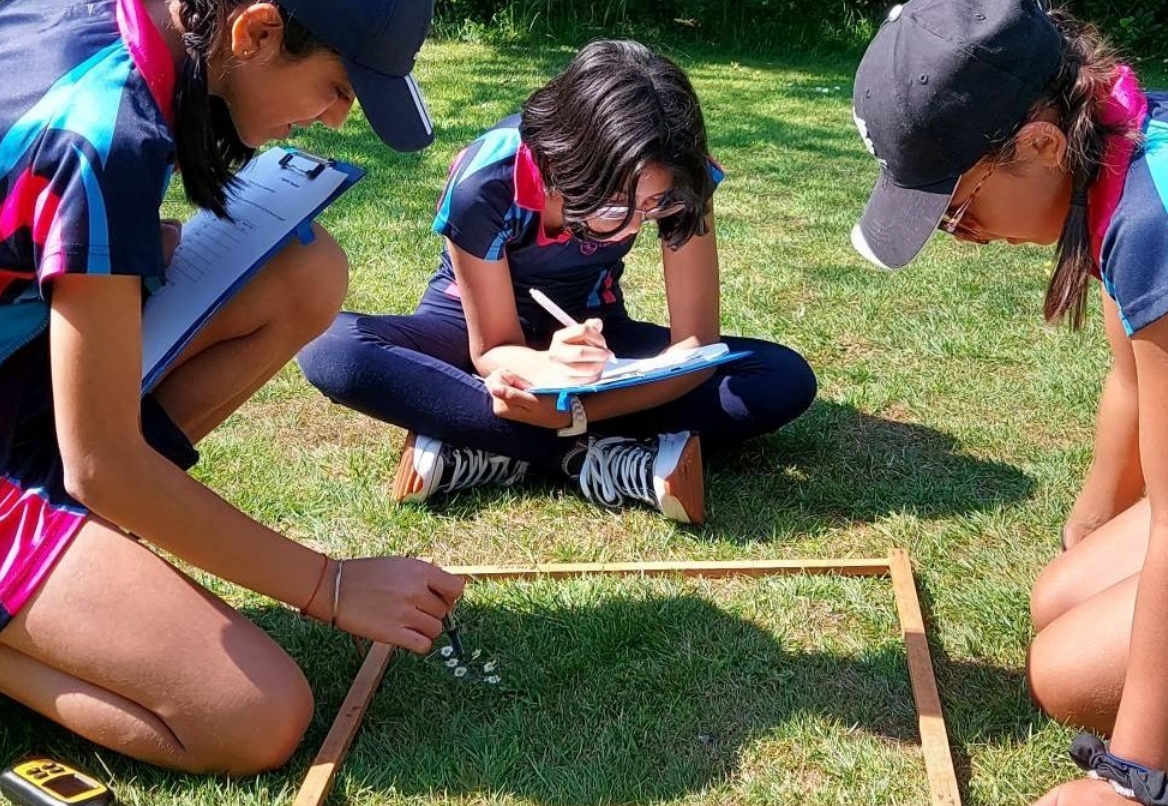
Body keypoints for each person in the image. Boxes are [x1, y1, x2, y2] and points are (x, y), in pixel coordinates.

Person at [0, 0, 463, 775]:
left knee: (306, 272)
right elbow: (105, 461)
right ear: (257, 31)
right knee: (254, 715)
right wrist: (332, 584)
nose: (335, 118)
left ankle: (63, 554)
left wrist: (96, 245)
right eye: (337, 86)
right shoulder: (101, 141)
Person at [849, 0, 1168, 806]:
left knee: (1070, 677)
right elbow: (1131, 389)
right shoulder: (1121, 151)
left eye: (954, 204)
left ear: (1036, 145)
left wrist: (1134, 776)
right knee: (1060, 601)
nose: (957, 230)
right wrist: (1093, 540)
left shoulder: (1156, 228)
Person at [298, 40, 816, 525]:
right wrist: (546, 376)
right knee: (332, 348)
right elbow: (494, 350)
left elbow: (697, 345)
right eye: (615, 207)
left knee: (778, 379)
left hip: (598, 337)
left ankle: (487, 445)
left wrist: (577, 409)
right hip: (468, 329)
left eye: (655, 208)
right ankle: (592, 460)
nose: (636, 226)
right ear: (566, 163)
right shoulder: (488, 178)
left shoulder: (679, 175)